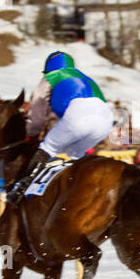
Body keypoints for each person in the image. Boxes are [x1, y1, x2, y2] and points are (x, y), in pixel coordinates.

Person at [7, 51, 115, 205]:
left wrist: (31, 133)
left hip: (79, 116)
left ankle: (21, 188)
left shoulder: (51, 77)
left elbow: (38, 108)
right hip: (105, 121)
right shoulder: (85, 77)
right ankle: (82, 192)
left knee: (48, 147)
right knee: (75, 155)